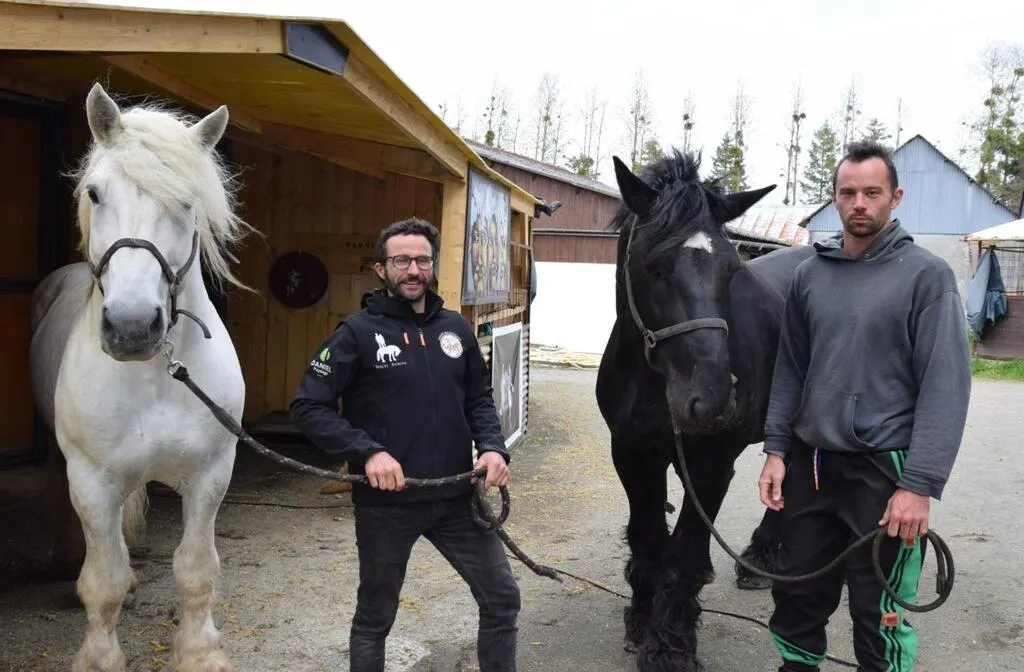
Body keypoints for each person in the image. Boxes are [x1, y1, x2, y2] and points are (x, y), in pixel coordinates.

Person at [758, 140, 972, 671]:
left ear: (895, 197)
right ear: (834, 199)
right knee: (797, 593)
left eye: (871, 192)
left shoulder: (928, 277)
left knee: (879, 608)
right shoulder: (811, 274)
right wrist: (776, 448)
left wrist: (918, 485)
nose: (859, 203)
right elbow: (790, 369)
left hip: (884, 472)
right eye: (848, 193)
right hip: (811, 466)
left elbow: (946, 386)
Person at [289, 216, 521, 672]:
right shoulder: (355, 333)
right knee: (376, 617)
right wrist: (367, 451)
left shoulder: (456, 329)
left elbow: (478, 398)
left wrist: (493, 447)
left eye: (421, 260)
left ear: (432, 267)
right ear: (380, 269)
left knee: (502, 599)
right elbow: (306, 406)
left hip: (459, 499)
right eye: (401, 261)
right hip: (387, 505)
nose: (412, 270)